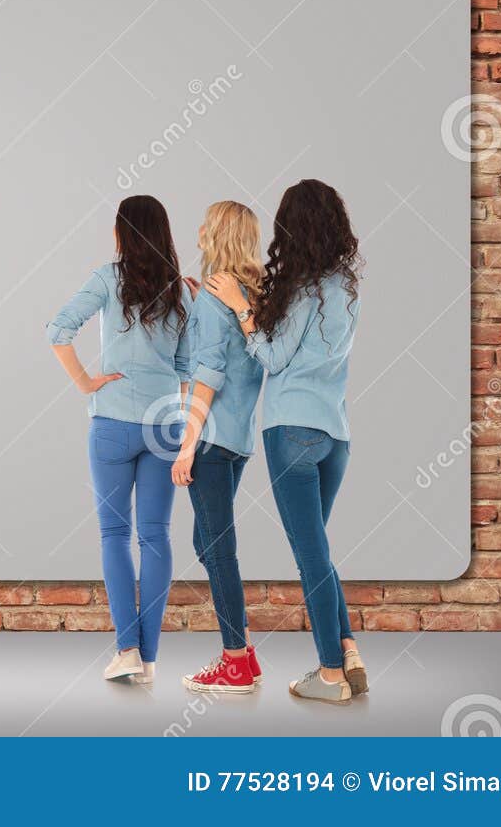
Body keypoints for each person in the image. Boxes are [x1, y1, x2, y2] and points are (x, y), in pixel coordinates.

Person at [206, 180, 366, 704]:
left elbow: (271, 358)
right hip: (335, 434)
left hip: (291, 430)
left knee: (310, 556)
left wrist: (241, 310)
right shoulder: (345, 288)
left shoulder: (303, 291)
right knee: (319, 549)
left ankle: (329, 674)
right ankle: (347, 650)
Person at [46, 195, 191, 683]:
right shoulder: (179, 291)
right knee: (156, 536)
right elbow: (190, 370)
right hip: (164, 425)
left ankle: (126, 649)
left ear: (121, 234)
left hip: (110, 421)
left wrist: (87, 382)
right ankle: (147, 660)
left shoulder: (109, 278)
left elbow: (58, 329)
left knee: (114, 534)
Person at [170, 201, 266, 694]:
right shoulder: (250, 296)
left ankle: (234, 661)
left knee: (219, 549)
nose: (199, 227)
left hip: (209, 439)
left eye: (206, 222)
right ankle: (244, 650)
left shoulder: (214, 301)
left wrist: (187, 446)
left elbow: (208, 375)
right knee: (207, 544)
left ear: (219, 233)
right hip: (239, 439)